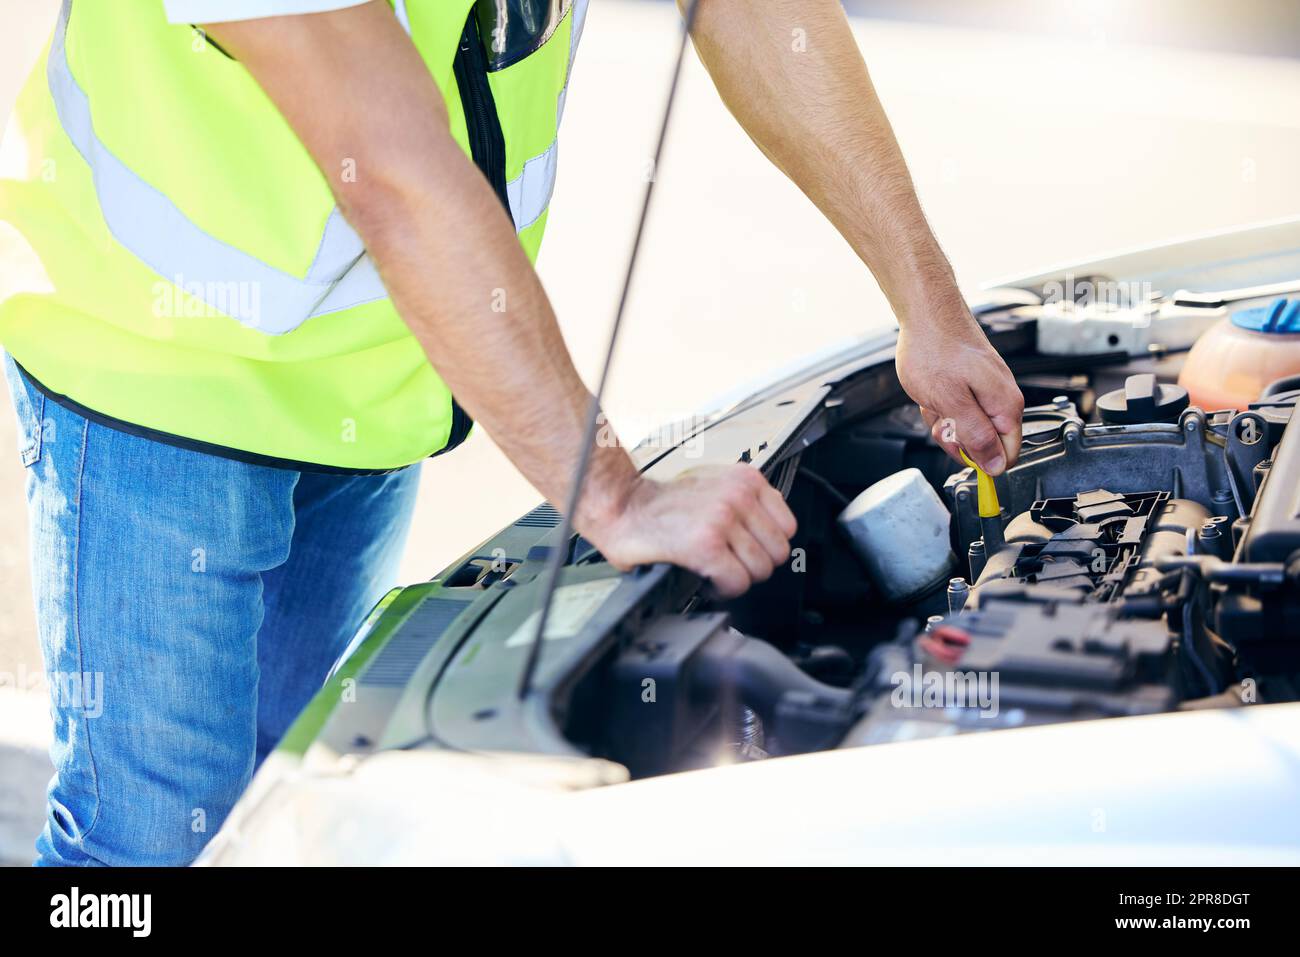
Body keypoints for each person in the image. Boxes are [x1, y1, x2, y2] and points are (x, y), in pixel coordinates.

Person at [0, 0, 1022, 865]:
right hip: (156, 372)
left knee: (284, 810)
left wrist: (925, 303)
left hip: (374, 380)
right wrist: (613, 497)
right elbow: (390, 168)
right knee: (146, 845)